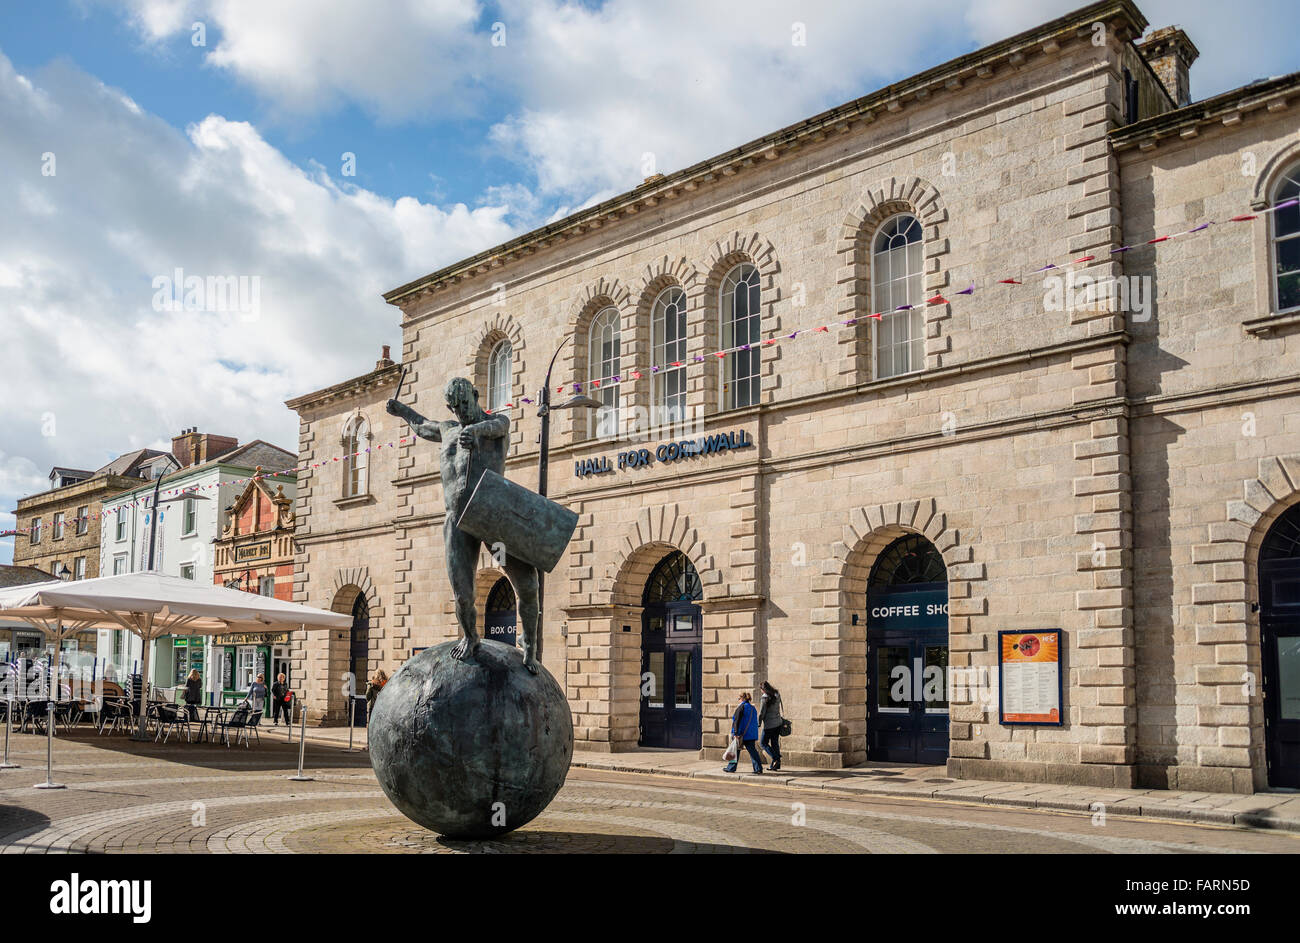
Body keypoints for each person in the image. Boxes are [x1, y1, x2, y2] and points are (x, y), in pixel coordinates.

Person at [722, 691, 763, 774]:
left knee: (735, 751)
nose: (738, 700)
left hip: (741, 734)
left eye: (739, 699)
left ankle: (731, 768)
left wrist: (736, 733)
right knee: (753, 752)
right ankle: (758, 768)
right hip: (751, 734)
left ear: (742, 699)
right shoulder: (753, 708)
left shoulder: (741, 707)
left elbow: (736, 721)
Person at [758, 680, 783, 771]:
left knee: (763, 743)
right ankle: (776, 764)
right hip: (778, 723)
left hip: (769, 724)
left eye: (761, 689)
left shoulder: (764, 698)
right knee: (774, 743)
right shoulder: (777, 694)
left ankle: (776, 757)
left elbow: (762, 712)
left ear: (763, 689)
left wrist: (759, 722)